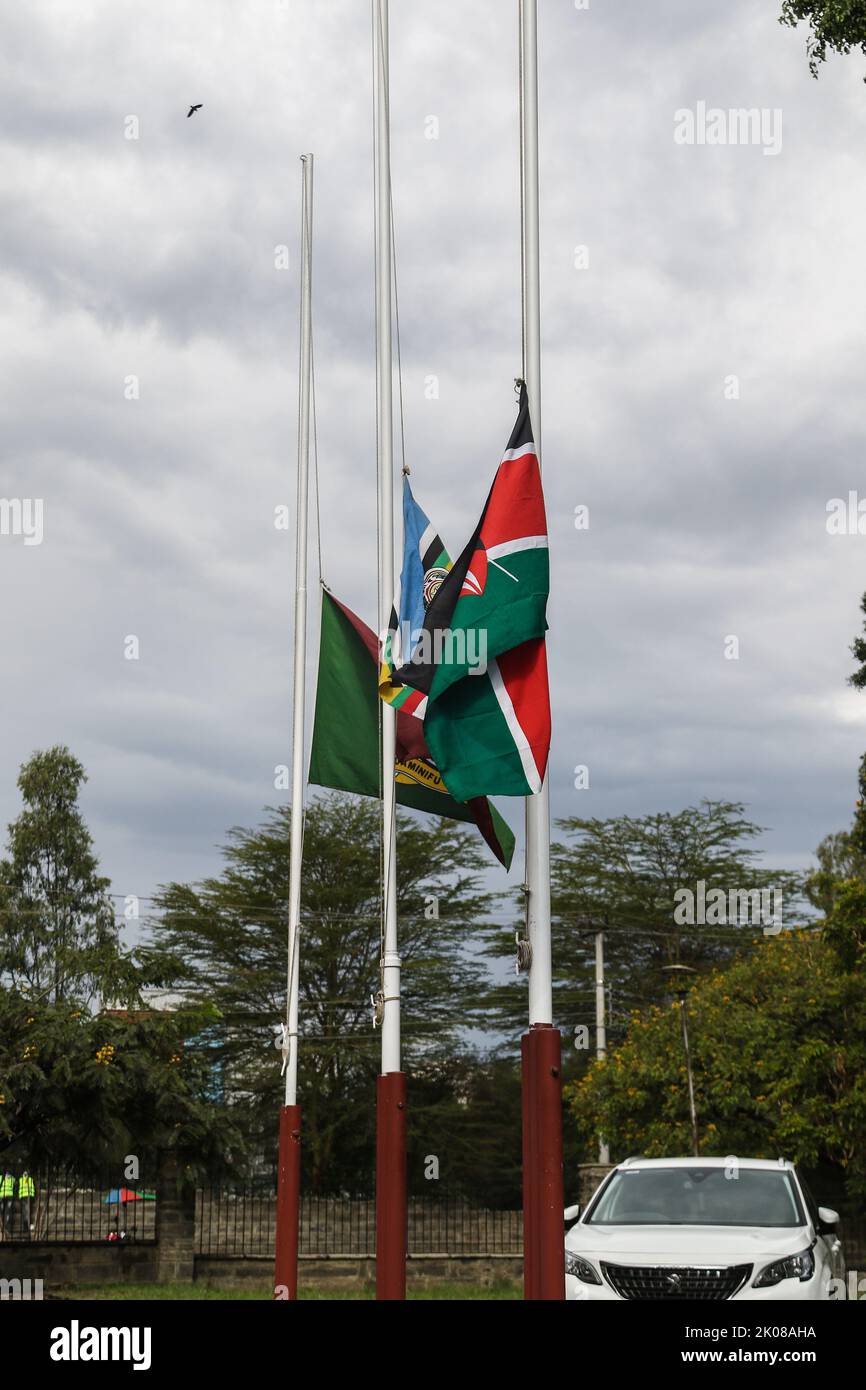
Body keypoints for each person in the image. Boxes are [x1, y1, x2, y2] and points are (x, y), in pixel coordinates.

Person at [17, 1171, 34, 1238]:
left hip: (28, 1197)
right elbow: (19, 1188)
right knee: (25, 1212)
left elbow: (32, 1188)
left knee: (27, 1212)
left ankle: (27, 1226)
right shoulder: (21, 1180)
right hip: (24, 1197)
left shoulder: (30, 1179)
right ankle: (26, 1227)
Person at [0, 1171, 15, 1237]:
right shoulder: (1, 1178)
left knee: (7, 1212)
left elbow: (14, 1179)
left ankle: (6, 1228)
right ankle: (3, 1226)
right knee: (3, 1211)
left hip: (9, 1197)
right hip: (2, 1197)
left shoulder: (12, 1179)